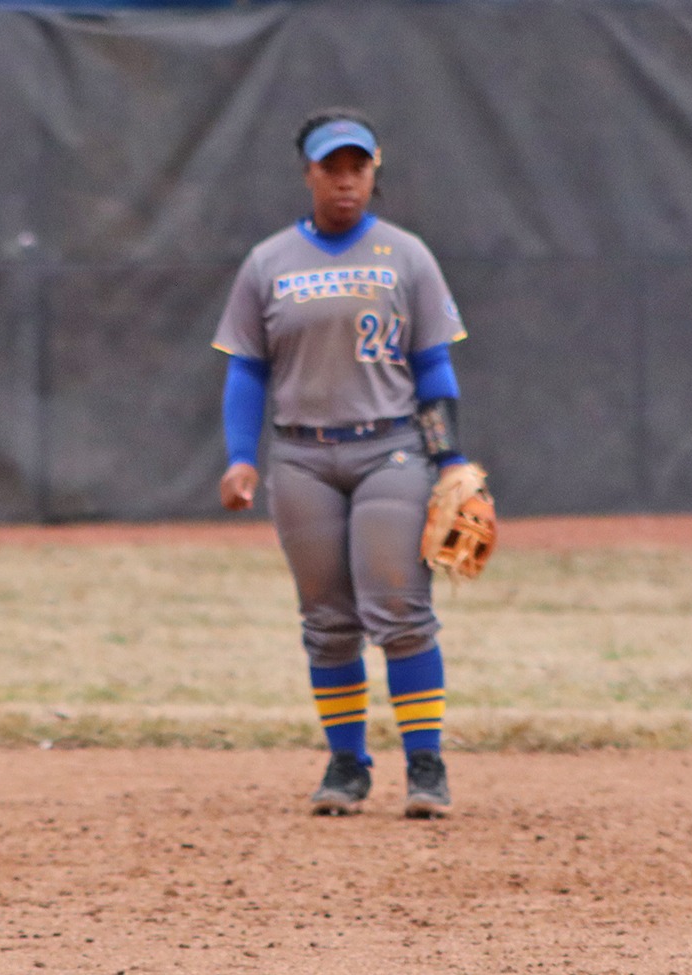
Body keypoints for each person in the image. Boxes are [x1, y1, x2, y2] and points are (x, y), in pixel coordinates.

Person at [213, 108, 470, 819]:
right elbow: (247, 371)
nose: (346, 180)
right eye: (332, 167)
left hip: (390, 448)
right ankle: (347, 766)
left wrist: (450, 458)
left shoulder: (407, 255)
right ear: (309, 174)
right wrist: (241, 458)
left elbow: (433, 365)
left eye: (358, 167)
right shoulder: (268, 263)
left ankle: (426, 767)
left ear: (374, 171)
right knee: (327, 620)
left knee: (399, 609)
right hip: (300, 456)